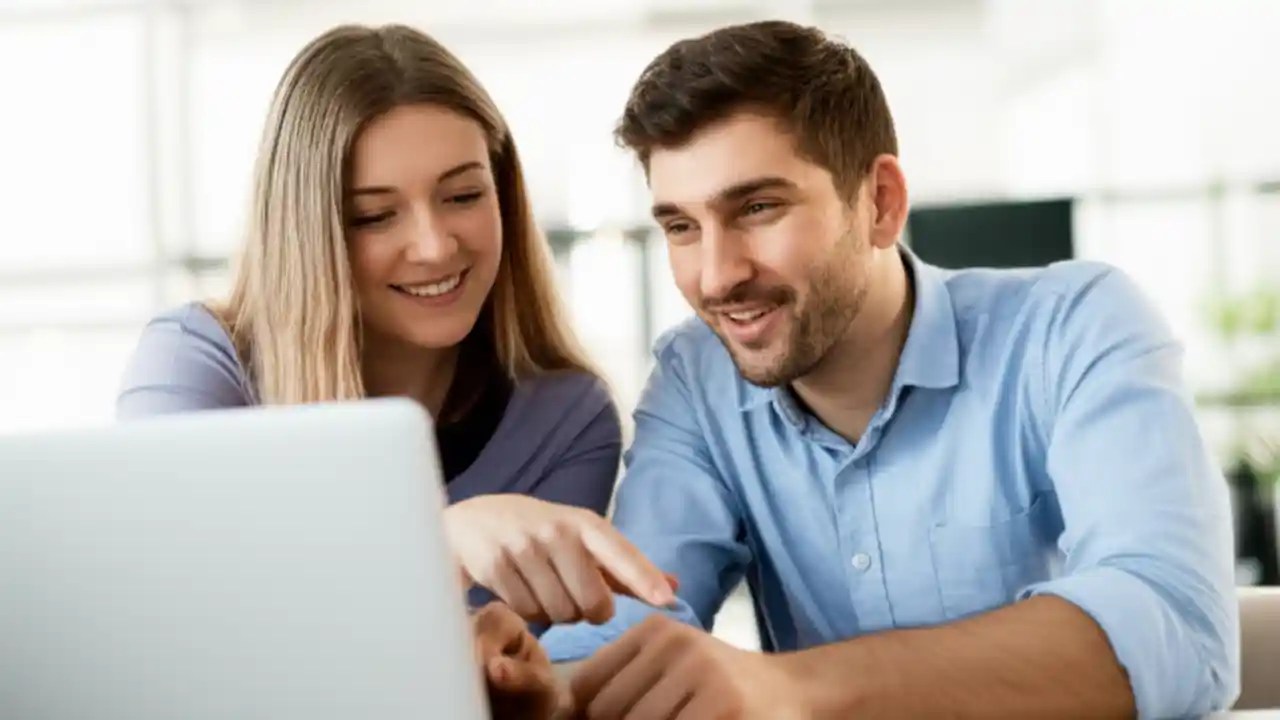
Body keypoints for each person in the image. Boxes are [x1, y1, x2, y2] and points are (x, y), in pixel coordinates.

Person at [540, 20, 1241, 719]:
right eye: (680, 227)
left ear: (880, 202)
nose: (717, 277)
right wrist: (533, 681)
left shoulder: (1073, 327)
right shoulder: (697, 381)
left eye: (757, 207)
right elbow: (627, 620)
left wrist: (794, 687)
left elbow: (1176, 628)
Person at [115, 24, 673, 718]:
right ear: (311, 230)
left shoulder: (566, 418)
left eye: (464, 196)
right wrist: (438, 542)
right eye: (375, 215)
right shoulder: (197, 364)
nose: (435, 246)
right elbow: (168, 637)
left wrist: (526, 685)